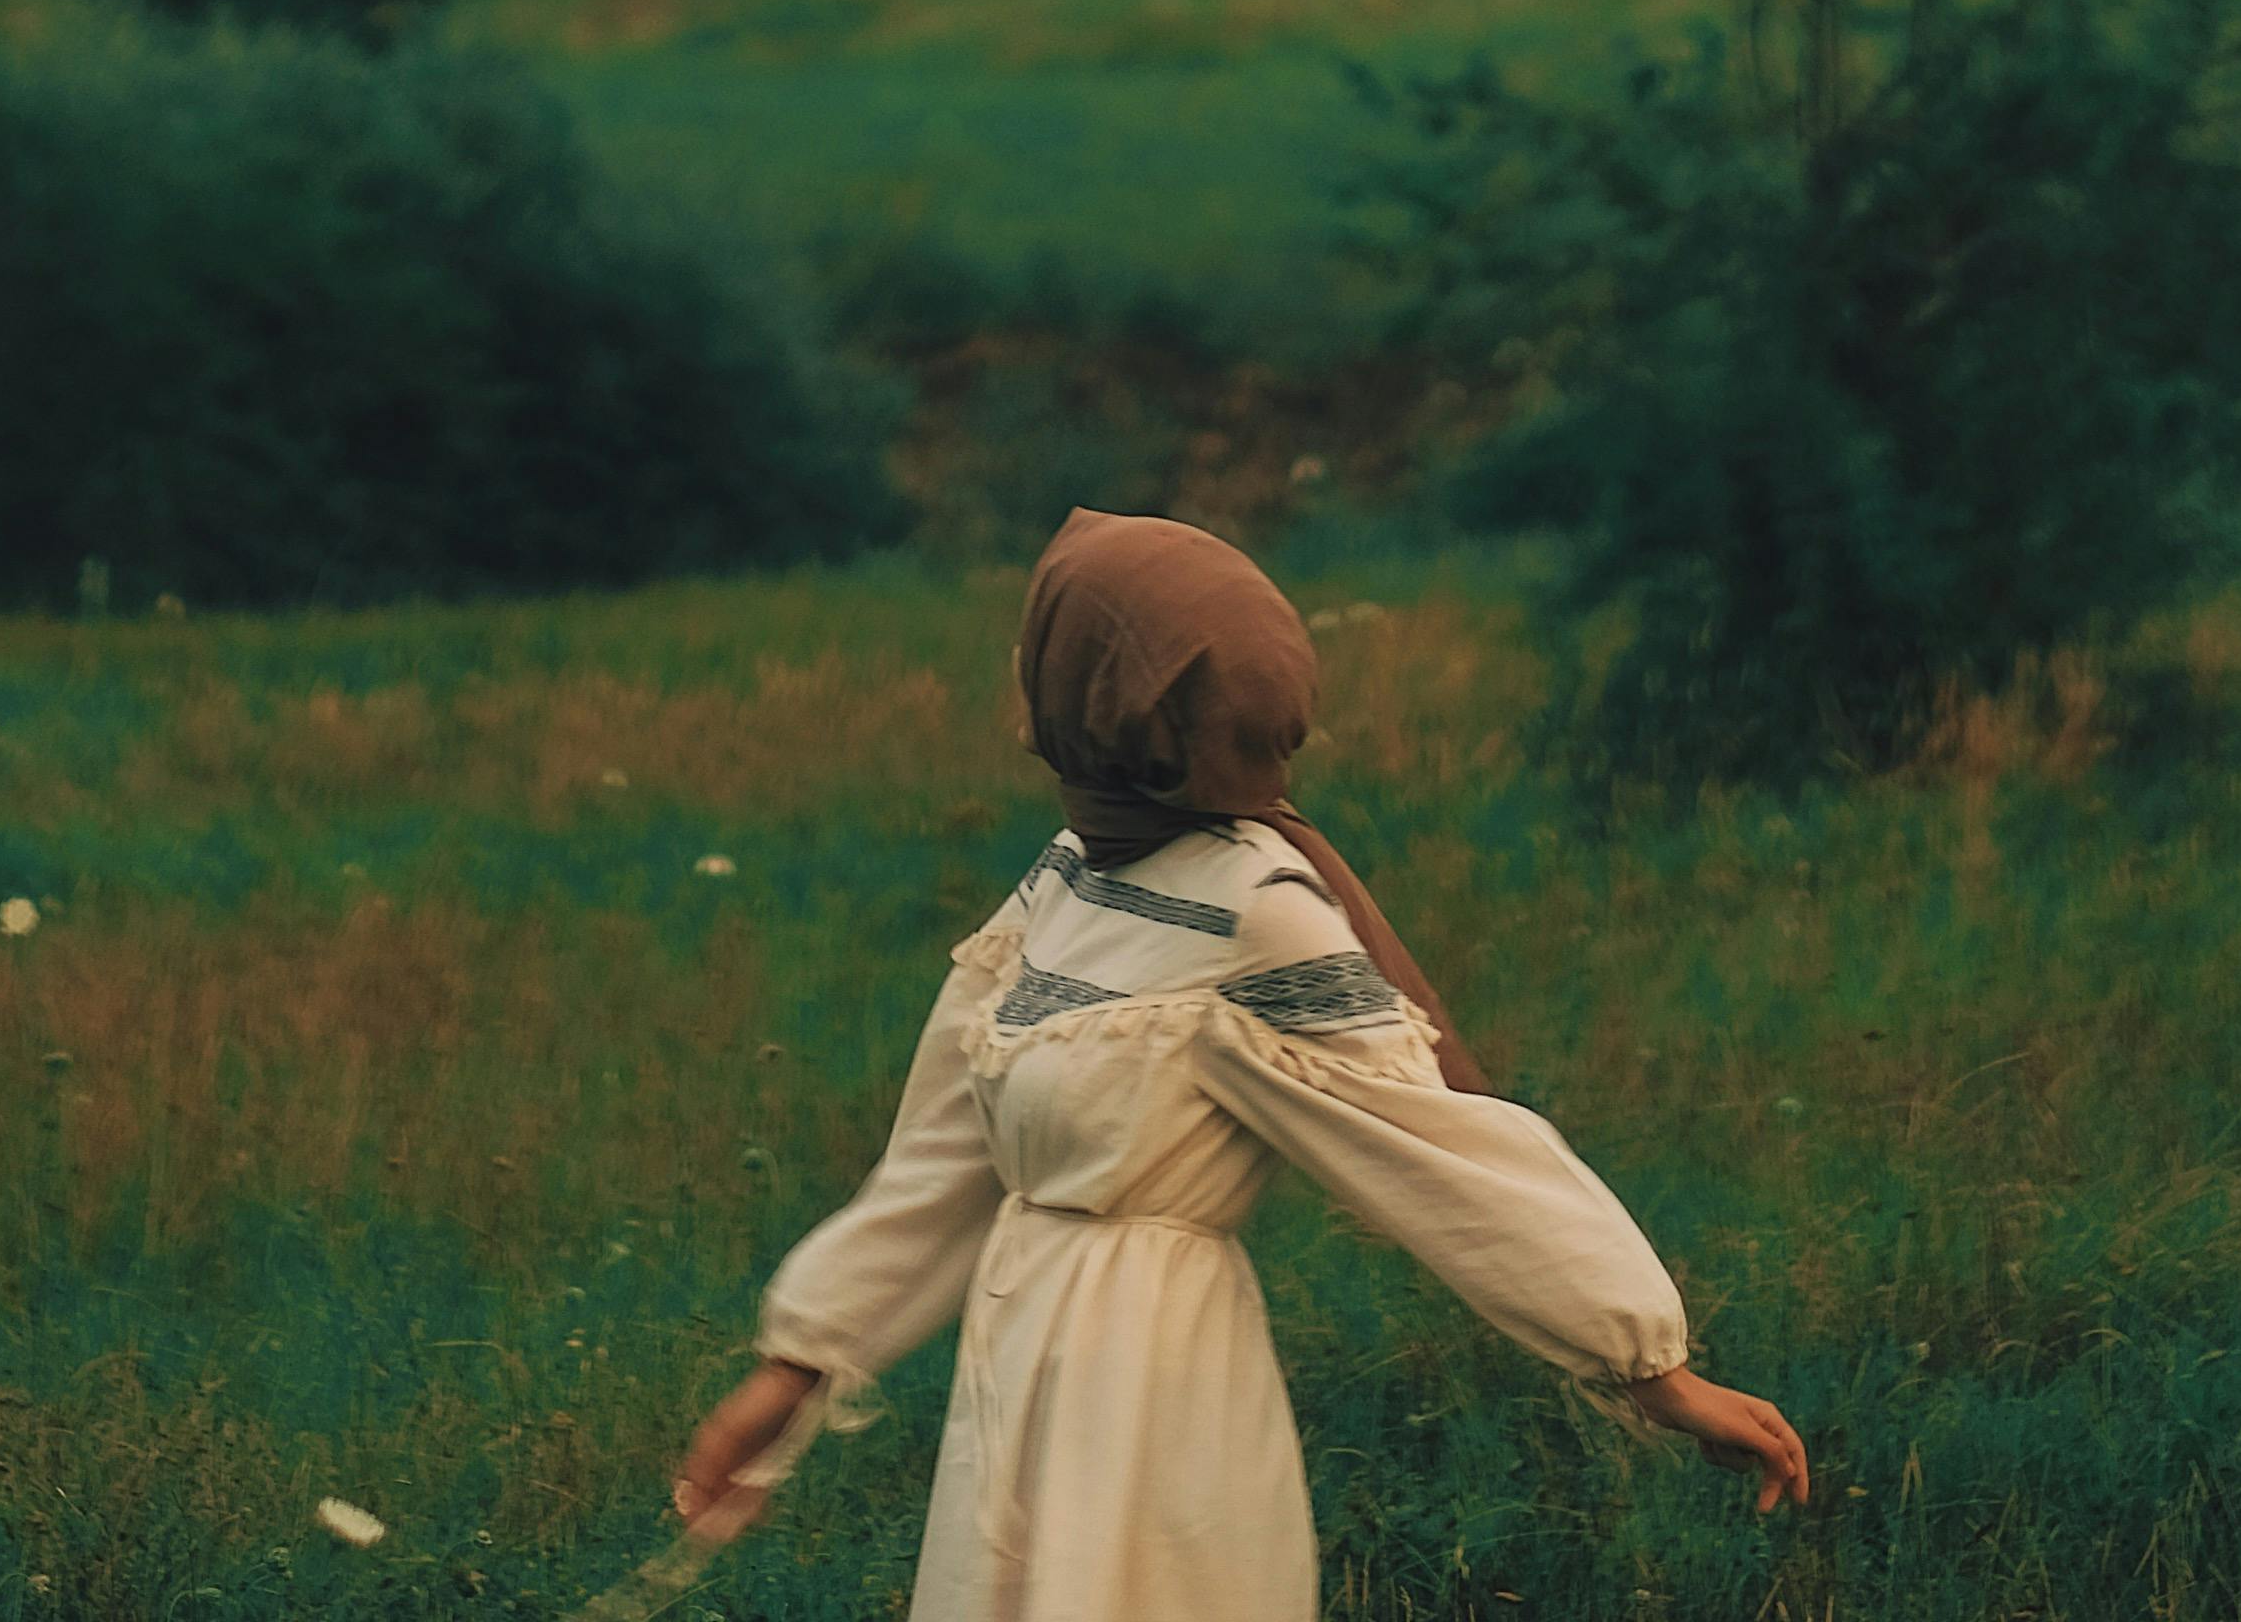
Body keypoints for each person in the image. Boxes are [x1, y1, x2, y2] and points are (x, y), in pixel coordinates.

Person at [670, 506, 1807, 1622]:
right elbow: (946, 1152)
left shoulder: (1255, 911)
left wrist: (1649, 1367)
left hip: (1148, 1389)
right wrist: (798, 1366)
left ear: (1093, 699)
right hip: (1019, 1367)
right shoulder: (1069, 875)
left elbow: (1445, 1151)